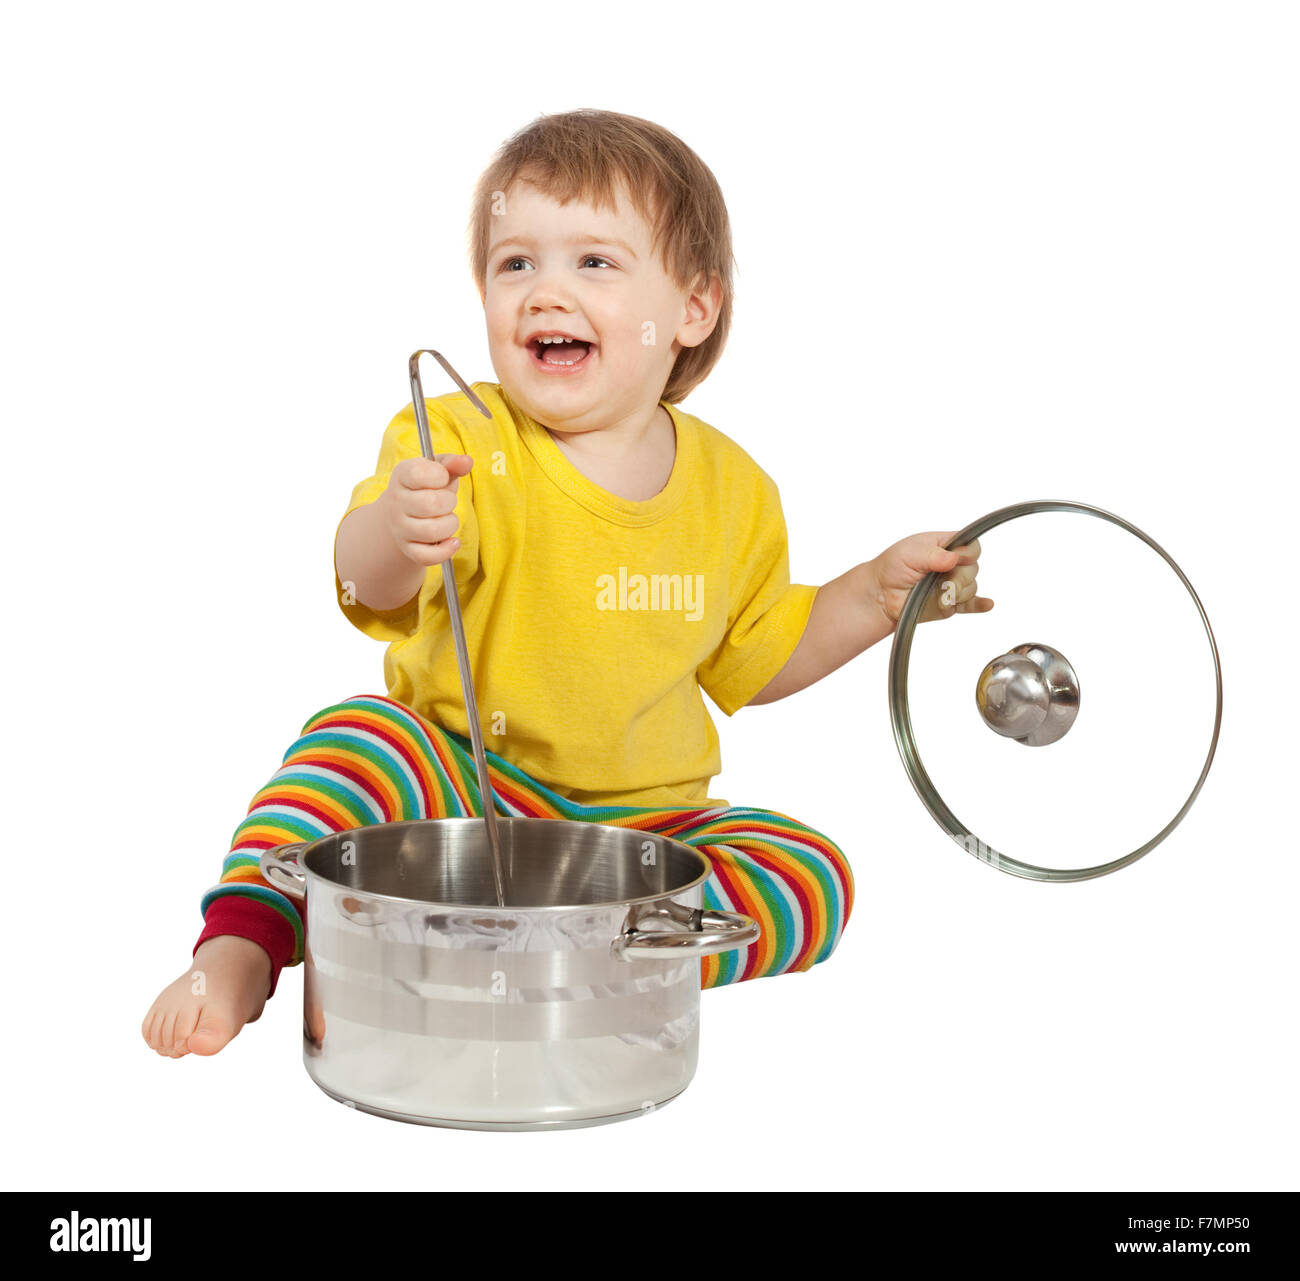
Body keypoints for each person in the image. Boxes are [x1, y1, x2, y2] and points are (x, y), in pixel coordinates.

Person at [142, 108, 990, 1059]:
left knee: (810, 872)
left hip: (639, 836)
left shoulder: (735, 489)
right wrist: (393, 529)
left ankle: (561, 961)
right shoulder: (460, 436)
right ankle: (247, 943)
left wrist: (875, 595)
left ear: (692, 309)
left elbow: (763, 655)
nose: (546, 291)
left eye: (594, 262)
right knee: (354, 741)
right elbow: (363, 581)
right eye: (516, 264)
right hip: (457, 791)